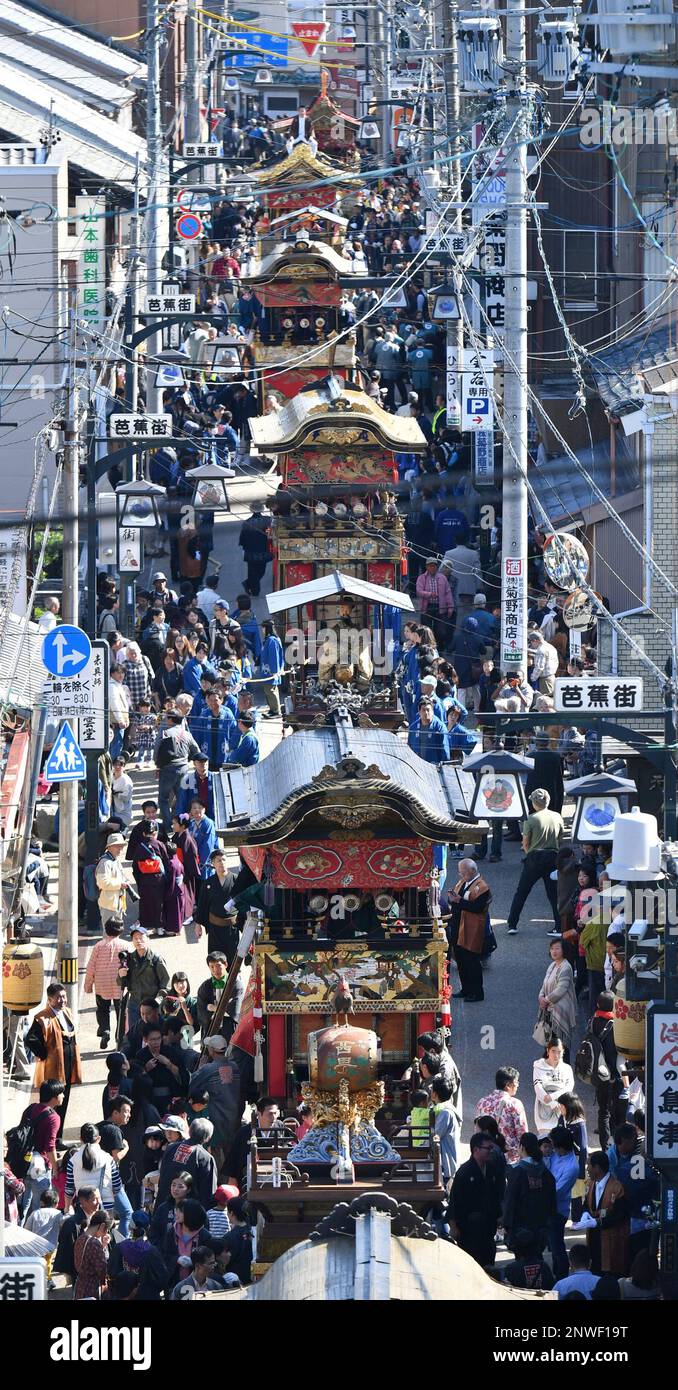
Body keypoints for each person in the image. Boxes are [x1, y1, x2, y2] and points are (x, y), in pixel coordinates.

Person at [506, 789, 563, 935]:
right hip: (552, 857)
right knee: (554, 894)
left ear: (533, 802)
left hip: (534, 857)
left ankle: (512, 924)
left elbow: (525, 843)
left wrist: (529, 853)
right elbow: (560, 838)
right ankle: (559, 926)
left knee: (522, 891)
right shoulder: (557, 816)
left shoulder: (530, 819)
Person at [28, 983, 82, 1135]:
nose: (63, 1000)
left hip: (68, 1065)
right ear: (50, 999)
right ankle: (46, 1137)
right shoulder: (42, 1018)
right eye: (58, 997)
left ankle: (58, 1138)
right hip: (53, 1070)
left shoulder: (67, 1012)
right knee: (51, 1105)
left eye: (64, 996)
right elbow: (31, 1040)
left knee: (63, 1103)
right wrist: (44, 1054)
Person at [447, 1132, 505, 1267]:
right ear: (476, 1149)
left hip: (488, 1225)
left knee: (489, 1262)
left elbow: (497, 1195)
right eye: (488, 1148)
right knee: (472, 1263)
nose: (491, 1151)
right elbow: (455, 1201)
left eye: (492, 1148)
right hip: (469, 1229)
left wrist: (501, 1215)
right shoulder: (464, 1172)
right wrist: (453, 1226)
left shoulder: (492, 1169)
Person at [502, 1131, 557, 1254]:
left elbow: (510, 1202)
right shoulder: (546, 1174)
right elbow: (552, 1202)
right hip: (541, 1229)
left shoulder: (517, 1173)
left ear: (522, 1147)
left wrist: (507, 1226)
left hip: (521, 1231)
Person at [446, 858, 491, 1003]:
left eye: (463, 872)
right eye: (460, 872)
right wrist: (452, 898)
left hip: (472, 928)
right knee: (460, 960)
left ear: (472, 870)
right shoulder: (463, 882)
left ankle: (477, 993)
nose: (461, 874)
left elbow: (478, 908)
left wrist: (459, 901)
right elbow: (455, 900)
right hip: (458, 925)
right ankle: (466, 989)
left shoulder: (482, 887)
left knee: (471, 960)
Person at [18, 1080, 65, 1218]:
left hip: (23, 1162)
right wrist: (56, 1168)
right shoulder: (53, 1117)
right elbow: (50, 1147)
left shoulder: (31, 1108)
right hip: (40, 1166)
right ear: (54, 1097)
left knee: (23, 1206)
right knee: (41, 1207)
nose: (63, 1096)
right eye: (61, 1093)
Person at [591, 990, 630, 1150]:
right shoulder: (617, 1025)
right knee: (620, 1113)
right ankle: (620, 1146)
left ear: (598, 1005)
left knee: (604, 1111)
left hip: (600, 1074)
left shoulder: (592, 1022)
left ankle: (605, 1147)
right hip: (616, 1074)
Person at [156, 1118, 218, 1210]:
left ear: (189, 1131)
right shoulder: (206, 1158)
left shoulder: (171, 1148)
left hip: (164, 1206)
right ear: (208, 1138)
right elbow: (208, 1192)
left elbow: (162, 1178)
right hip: (189, 1212)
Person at [154, 712, 202, 830]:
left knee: (163, 798)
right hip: (184, 768)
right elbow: (196, 750)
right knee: (181, 797)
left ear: (170, 719)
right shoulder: (187, 734)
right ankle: (182, 824)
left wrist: (157, 764)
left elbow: (157, 750)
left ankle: (168, 825)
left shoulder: (165, 733)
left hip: (168, 769)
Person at [83, 916, 126, 1050]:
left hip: (102, 983)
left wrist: (88, 985)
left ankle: (105, 1030)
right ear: (121, 930)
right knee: (121, 1012)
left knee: (102, 1009)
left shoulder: (98, 946)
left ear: (106, 930)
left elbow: (91, 966)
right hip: (120, 984)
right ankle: (120, 1038)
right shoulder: (126, 945)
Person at [585, 1150, 630, 1275]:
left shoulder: (617, 1187)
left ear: (597, 1168)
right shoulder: (590, 1184)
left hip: (611, 1240)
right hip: (593, 1237)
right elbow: (586, 1206)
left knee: (611, 1272)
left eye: (589, 1165)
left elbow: (621, 1214)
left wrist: (599, 1222)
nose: (587, 1169)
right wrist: (585, 1215)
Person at [117, 926, 170, 1030]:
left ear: (148, 939)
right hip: (134, 1004)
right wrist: (120, 974)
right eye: (135, 938)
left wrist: (157, 1001)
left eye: (141, 938)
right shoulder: (129, 959)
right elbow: (120, 983)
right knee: (134, 1034)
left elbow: (166, 985)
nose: (138, 941)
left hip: (152, 1004)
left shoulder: (156, 959)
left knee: (153, 1034)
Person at [544, 1127, 579, 1280]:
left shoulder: (571, 1166)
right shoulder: (555, 1155)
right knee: (553, 1245)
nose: (550, 1147)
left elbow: (556, 1192)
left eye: (552, 1144)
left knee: (557, 1246)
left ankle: (561, 1276)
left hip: (558, 1210)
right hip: (548, 1207)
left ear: (561, 1146)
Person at [227, 1097, 285, 1189]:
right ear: (259, 1113)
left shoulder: (281, 1128)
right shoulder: (244, 1132)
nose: (274, 1117)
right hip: (249, 1178)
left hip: (275, 1177)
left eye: (275, 1113)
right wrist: (232, 1182)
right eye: (270, 1114)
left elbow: (288, 1147)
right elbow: (234, 1158)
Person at [474, 1067, 528, 1165]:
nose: (518, 1085)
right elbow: (523, 1134)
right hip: (509, 1159)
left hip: (485, 1156)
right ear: (508, 1085)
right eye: (516, 1082)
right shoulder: (514, 1104)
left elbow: (477, 1132)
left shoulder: (482, 1102)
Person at [537, 938, 577, 1061]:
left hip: (561, 1010)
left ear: (563, 950)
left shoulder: (566, 967)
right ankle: (549, 1064)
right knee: (549, 1040)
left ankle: (563, 1067)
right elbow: (544, 984)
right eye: (552, 948)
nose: (554, 951)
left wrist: (546, 999)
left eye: (557, 948)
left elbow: (561, 989)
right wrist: (541, 996)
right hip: (549, 1007)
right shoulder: (552, 965)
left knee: (561, 1042)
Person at [130, 818, 171, 936]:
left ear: (143, 833)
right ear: (155, 833)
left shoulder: (140, 847)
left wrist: (138, 880)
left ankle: (145, 926)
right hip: (158, 879)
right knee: (159, 903)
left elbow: (135, 867)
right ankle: (159, 927)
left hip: (144, 880)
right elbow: (166, 862)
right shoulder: (159, 844)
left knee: (145, 904)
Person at [136, 1022, 189, 1113]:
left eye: (158, 1038)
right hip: (150, 1098)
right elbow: (136, 1078)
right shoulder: (141, 1055)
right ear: (145, 1040)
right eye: (152, 1039)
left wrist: (168, 1063)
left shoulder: (170, 1052)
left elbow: (182, 1074)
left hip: (171, 1096)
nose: (156, 1042)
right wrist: (145, 1069)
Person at [195, 849, 239, 956]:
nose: (221, 862)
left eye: (223, 859)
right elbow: (202, 904)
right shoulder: (208, 883)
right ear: (213, 864)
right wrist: (198, 924)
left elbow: (243, 902)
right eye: (218, 860)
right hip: (215, 928)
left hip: (231, 928)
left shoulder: (236, 879)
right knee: (215, 957)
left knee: (233, 958)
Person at [533, 1038, 575, 1138]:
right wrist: (552, 1104)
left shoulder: (567, 1068)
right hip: (544, 1110)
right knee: (545, 1142)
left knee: (560, 1143)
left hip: (562, 1109)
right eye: (553, 1051)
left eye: (559, 1052)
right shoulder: (538, 1066)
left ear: (563, 1052)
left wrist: (553, 1096)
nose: (556, 1055)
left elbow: (569, 1087)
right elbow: (538, 1088)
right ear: (547, 1051)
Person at [74, 1210, 113, 1300]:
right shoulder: (94, 1243)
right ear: (102, 1226)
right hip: (92, 1289)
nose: (105, 1234)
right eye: (106, 1230)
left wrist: (103, 1246)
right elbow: (103, 1270)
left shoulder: (80, 1238)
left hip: (80, 1286)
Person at [431, 1078, 461, 1186]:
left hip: (446, 1163)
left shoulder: (445, 1113)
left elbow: (436, 1135)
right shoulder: (446, 1109)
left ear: (434, 1094)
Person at [524, 731, 564, 813]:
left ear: (536, 743)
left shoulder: (530, 757)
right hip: (551, 792)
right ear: (548, 742)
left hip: (534, 793)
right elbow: (560, 776)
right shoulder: (556, 757)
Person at [238, 500, 270, 597]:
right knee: (261, 570)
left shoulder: (246, 523)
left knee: (252, 571)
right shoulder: (267, 520)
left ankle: (250, 585)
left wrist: (244, 547)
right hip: (263, 549)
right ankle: (252, 588)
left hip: (250, 550)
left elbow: (242, 538)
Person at [218, 1197, 253, 1284]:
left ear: (231, 1213)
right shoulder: (253, 1231)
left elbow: (223, 1262)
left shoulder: (228, 1237)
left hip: (234, 1281)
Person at [407, 697, 449, 764]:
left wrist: (445, 764)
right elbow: (409, 746)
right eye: (423, 710)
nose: (426, 713)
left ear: (432, 711)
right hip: (417, 764)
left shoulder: (440, 727)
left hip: (434, 765)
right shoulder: (413, 727)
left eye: (428, 710)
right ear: (419, 712)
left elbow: (444, 748)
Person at [259, 620, 284, 717]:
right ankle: (272, 709)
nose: (262, 630)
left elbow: (274, 657)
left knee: (271, 690)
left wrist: (274, 671)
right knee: (268, 690)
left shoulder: (272, 640)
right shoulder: (269, 640)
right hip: (267, 670)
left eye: (263, 628)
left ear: (266, 628)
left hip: (271, 671)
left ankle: (276, 711)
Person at [189, 799, 218, 877]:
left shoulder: (208, 823)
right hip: (194, 860)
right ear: (191, 811)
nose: (197, 810)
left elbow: (208, 845)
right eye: (194, 808)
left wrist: (202, 862)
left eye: (200, 807)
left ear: (204, 810)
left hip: (205, 862)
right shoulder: (191, 823)